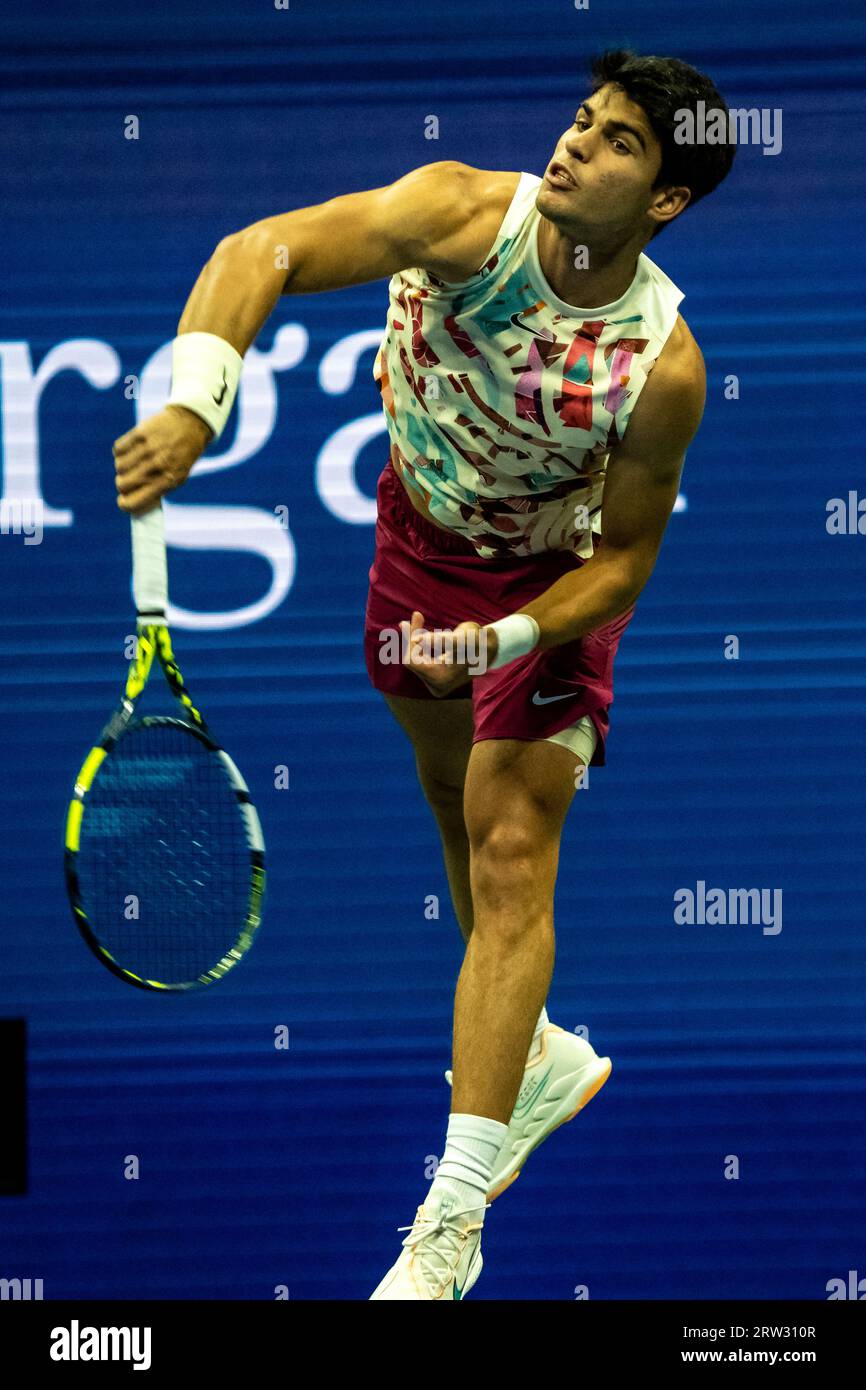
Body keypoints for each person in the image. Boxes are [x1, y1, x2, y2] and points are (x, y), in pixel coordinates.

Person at [113, 47, 736, 1300]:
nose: (574, 145)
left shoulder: (659, 369)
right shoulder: (462, 214)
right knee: (454, 808)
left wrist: (508, 640)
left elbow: (619, 568)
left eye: (618, 142)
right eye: (581, 120)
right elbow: (262, 250)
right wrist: (197, 401)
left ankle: (446, 1229)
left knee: (512, 841)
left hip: (544, 594)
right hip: (418, 542)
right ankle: (540, 1058)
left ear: (663, 200)